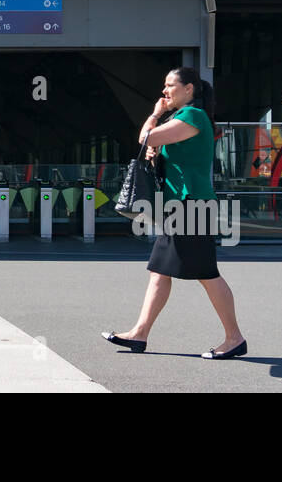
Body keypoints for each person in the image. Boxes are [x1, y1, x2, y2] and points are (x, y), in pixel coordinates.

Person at [103, 67, 247, 359]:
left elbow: (147, 137)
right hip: (181, 207)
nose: (165, 92)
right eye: (164, 86)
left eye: (170, 86)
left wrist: (155, 115)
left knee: (207, 274)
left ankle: (234, 339)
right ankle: (139, 334)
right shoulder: (183, 118)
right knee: (159, 272)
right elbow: (158, 148)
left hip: (191, 205)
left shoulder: (192, 115)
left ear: (189, 89)